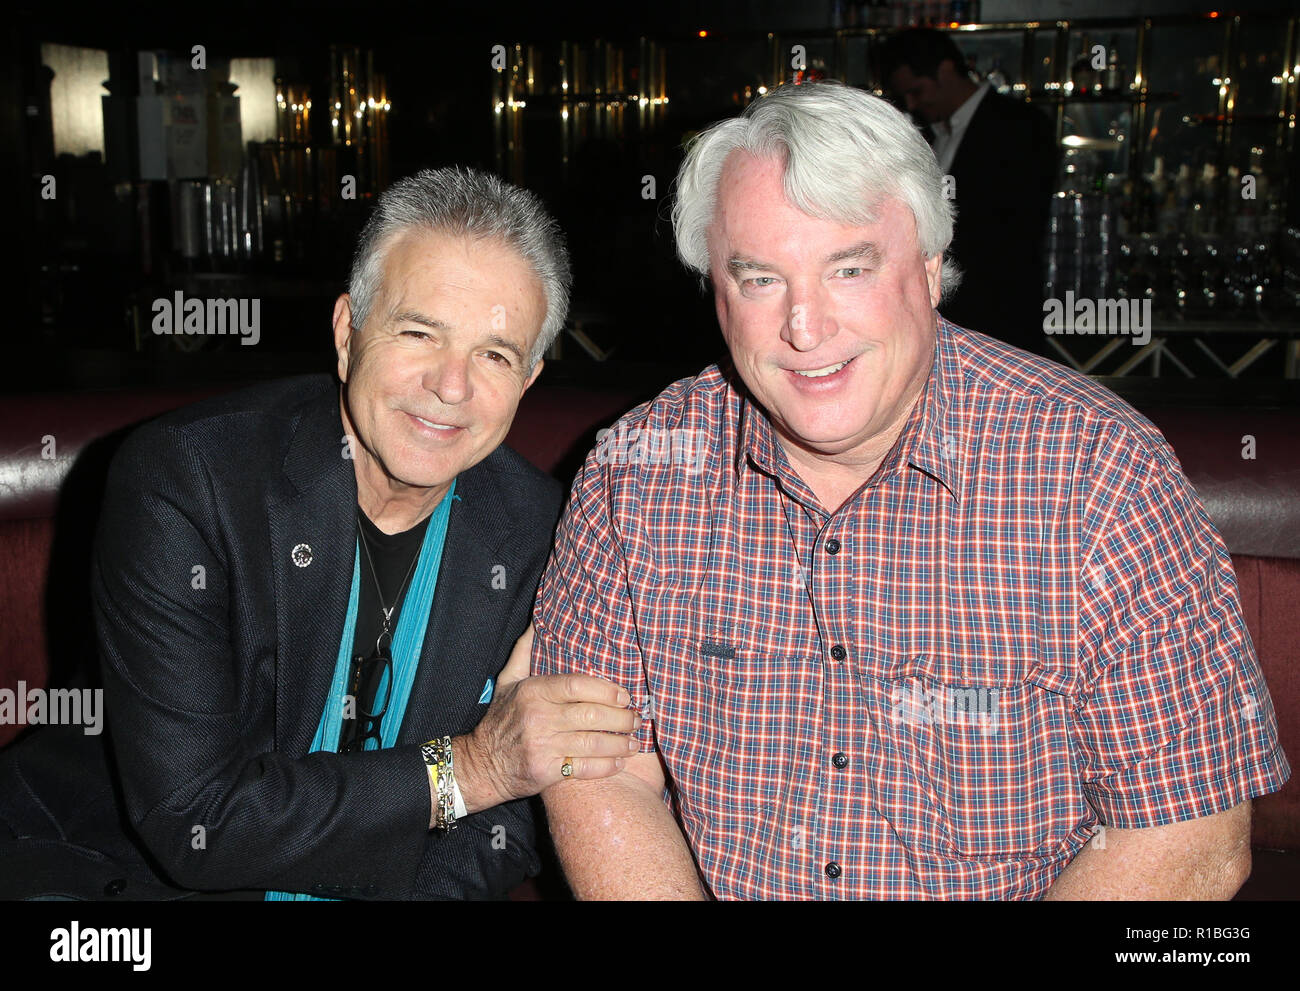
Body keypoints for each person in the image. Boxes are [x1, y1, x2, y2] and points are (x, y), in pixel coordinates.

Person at [533, 81, 1290, 900]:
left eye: (848, 268)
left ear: (931, 269)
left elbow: (1193, 837)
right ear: (714, 290)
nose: (805, 326)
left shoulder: (1097, 473)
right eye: (758, 280)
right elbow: (598, 769)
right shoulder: (635, 472)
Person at [0, 166, 639, 900]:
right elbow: (196, 820)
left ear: (527, 380)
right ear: (346, 334)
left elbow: (505, 829)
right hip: (107, 881)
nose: (451, 385)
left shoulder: (541, 530)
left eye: (494, 354)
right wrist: (473, 767)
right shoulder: (189, 481)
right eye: (419, 331)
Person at [880, 28, 1058, 356]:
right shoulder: (930, 135)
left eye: (917, 91)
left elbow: (1015, 232)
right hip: (940, 316)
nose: (912, 104)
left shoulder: (1020, 126)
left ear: (946, 70)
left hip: (999, 319)